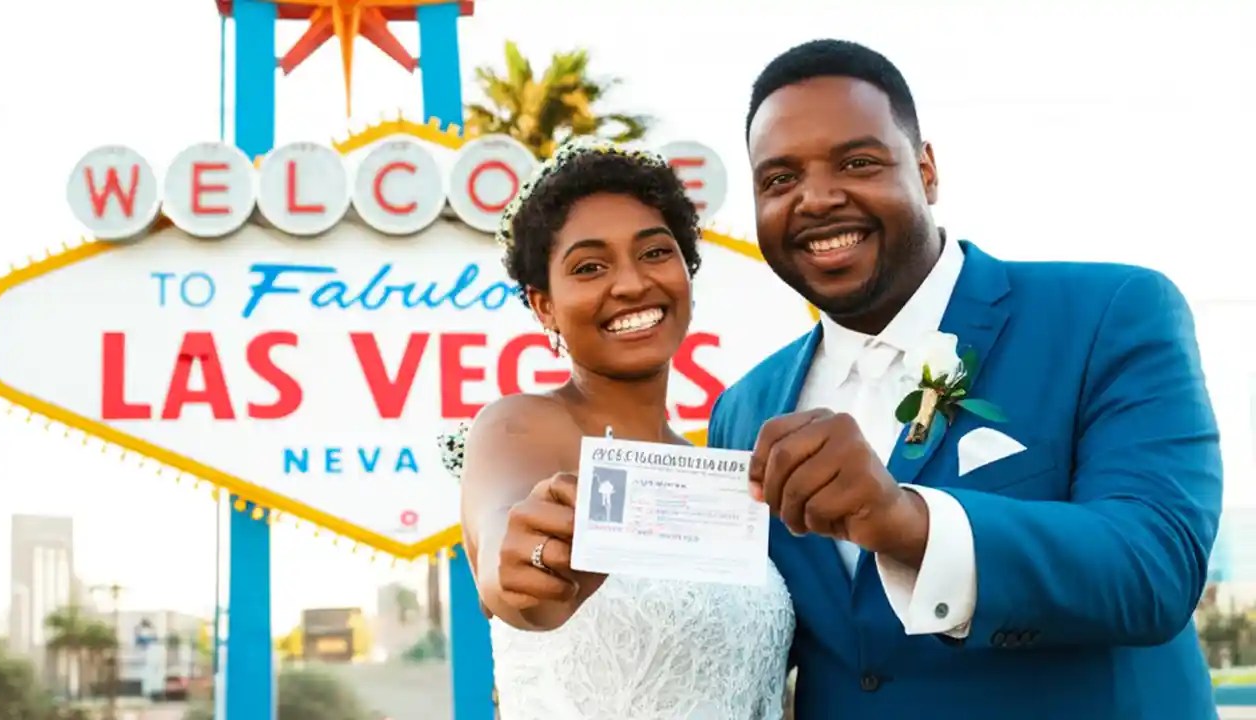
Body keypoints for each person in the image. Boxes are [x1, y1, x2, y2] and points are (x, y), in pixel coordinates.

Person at [707, 38, 1223, 719]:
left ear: (925, 171)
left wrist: (907, 521)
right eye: (779, 179)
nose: (816, 198)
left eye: (857, 162)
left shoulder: (1110, 314)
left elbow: (1154, 569)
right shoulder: (742, 410)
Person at [454, 138, 795, 719]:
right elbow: (504, 555)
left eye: (656, 253)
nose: (632, 284)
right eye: (590, 267)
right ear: (544, 306)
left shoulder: (717, 478)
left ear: (687, 272)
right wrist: (522, 566)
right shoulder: (520, 426)